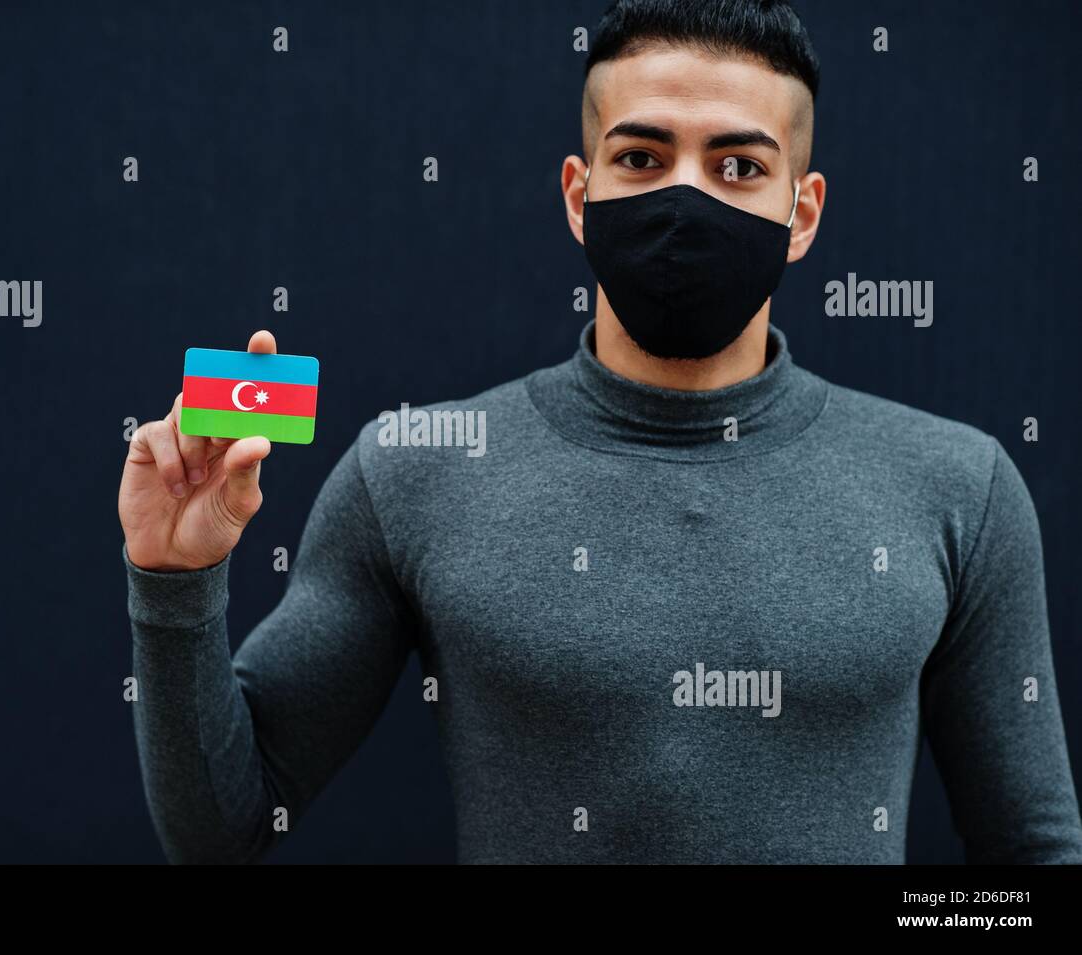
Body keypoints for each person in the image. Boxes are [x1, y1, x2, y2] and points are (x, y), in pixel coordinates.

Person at [117, 0, 1082, 863]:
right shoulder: (414, 470)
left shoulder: (958, 486)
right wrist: (175, 581)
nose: (685, 199)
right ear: (580, 196)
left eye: (739, 165)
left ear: (801, 211)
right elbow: (224, 830)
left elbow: (1030, 853)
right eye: (642, 158)